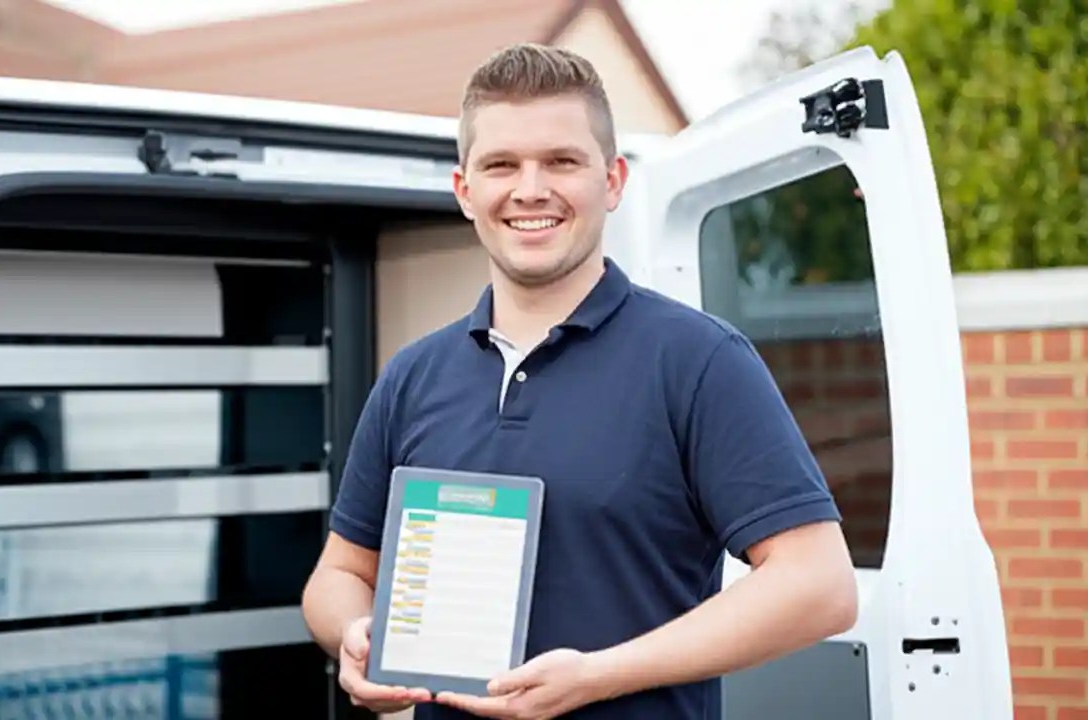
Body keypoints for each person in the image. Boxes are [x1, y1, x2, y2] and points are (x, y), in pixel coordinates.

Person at [301, 43, 858, 719]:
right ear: (465, 190)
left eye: (561, 161)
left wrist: (599, 676)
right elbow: (339, 575)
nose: (530, 189)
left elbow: (820, 585)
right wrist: (356, 635)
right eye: (501, 165)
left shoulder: (697, 361)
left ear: (613, 181)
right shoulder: (414, 376)